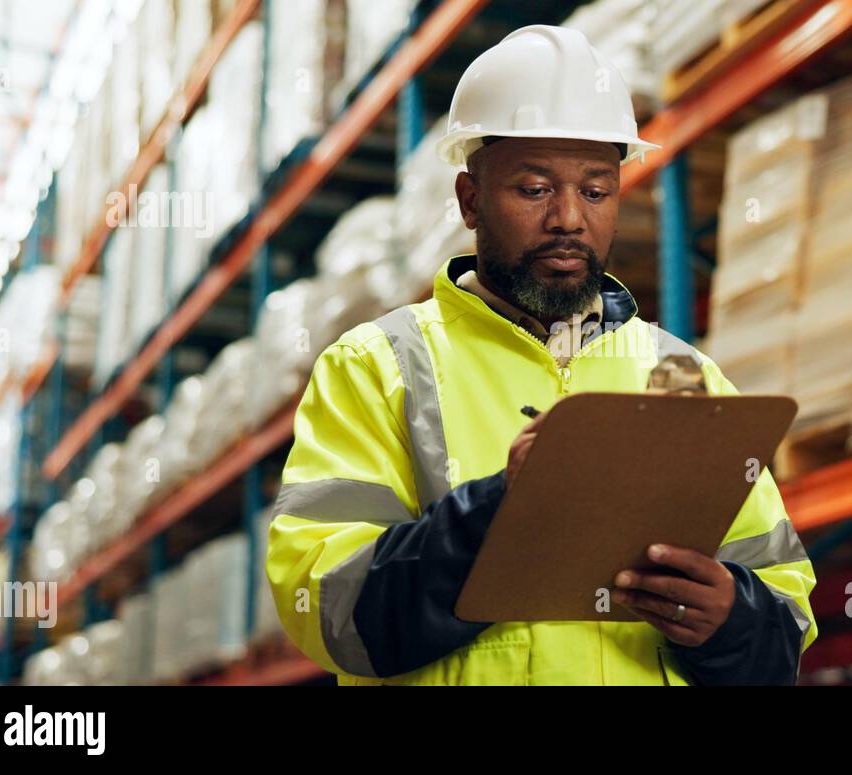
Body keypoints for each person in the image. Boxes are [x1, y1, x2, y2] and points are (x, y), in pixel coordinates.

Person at [266, 24, 816, 685]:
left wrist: (729, 620)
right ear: (470, 201)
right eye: (533, 188)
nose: (568, 219)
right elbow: (328, 608)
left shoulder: (689, 382)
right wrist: (499, 510)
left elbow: (784, 626)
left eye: (595, 190)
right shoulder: (375, 367)